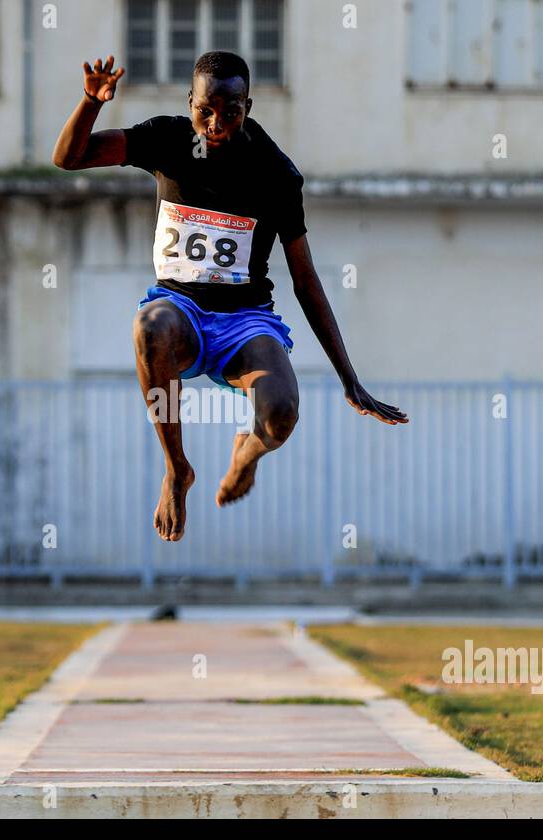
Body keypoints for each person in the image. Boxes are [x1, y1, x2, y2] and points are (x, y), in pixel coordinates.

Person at [52, 51, 407, 542]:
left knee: (281, 414)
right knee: (149, 326)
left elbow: (305, 280)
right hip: (181, 311)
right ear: (190, 102)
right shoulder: (167, 139)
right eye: (206, 110)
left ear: (248, 106)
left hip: (245, 321)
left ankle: (246, 454)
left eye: (232, 111)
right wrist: (91, 102)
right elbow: (69, 158)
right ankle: (178, 469)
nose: (217, 123)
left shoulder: (276, 173)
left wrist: (350, 379)